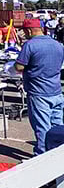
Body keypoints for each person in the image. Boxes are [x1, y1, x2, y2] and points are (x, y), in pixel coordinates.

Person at [15, 18, 64, 155]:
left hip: (38, 92)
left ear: (29, 30)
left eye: (25, 31)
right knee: (57, 126)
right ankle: (58, 156)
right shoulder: (58, 44)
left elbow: (19, 66)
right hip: (56, 91)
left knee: (42, 127)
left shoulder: (30, 45)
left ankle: (42, 157)